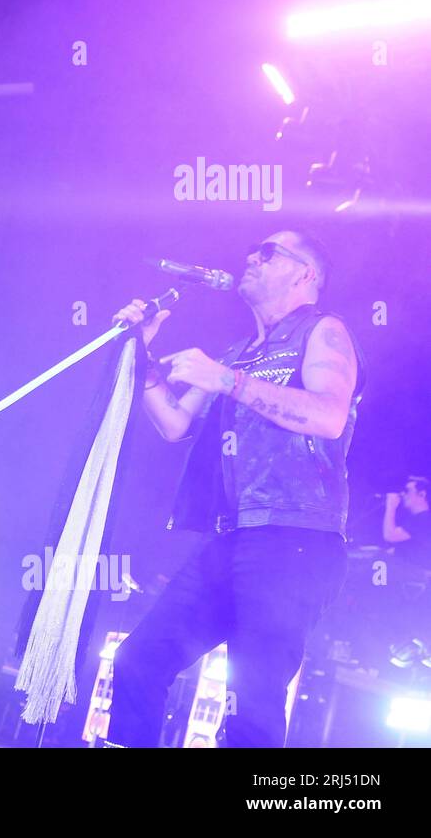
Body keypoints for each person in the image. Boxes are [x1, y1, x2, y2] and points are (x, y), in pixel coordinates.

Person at [106, 231, 362, 748]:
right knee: (139, 659)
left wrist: (227, 381)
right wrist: (140, 352)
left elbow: (329, 416)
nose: (250, 258)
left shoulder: (323, 330)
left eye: (268, 253)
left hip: (296, 538)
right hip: (232, 537)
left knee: (253, 697)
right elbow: (175, 424)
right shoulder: (239, 353)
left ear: (304, 273)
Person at [383, 476, 431, 571]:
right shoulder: (420, 518)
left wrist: (391, 506)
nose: (403, 494)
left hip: (414, 578)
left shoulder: (423, 518)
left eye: (407, 491)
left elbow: (390, 536)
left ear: (422, 494)